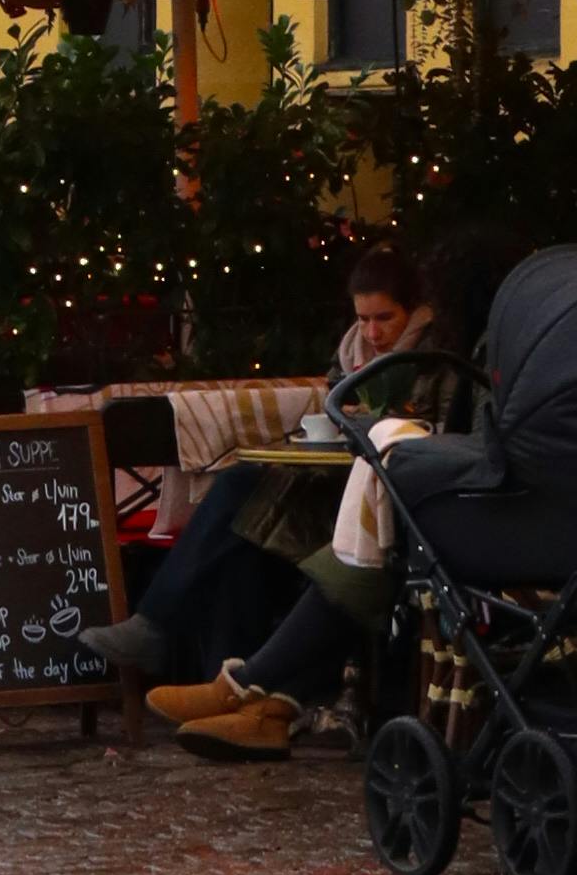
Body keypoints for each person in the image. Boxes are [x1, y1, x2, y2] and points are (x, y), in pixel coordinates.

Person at [160, 231, 577, 760]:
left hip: (529, 526)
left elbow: (489, 450)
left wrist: (407, 449)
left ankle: (255, 687)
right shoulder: (547, 373)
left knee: (375, 553)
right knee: (361, 546)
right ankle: (268, 701)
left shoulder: (483, 359)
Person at [110, 247, 458, 705]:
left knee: (239, 496)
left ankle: (163, 632)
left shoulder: (435, 357)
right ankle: (222, 694)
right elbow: (338, 412)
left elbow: (438, 435)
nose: (372, 332)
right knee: (240, 534)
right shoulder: (352, 349)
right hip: (336, 483)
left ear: (415, 311)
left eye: (384, 318)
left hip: (380, 503)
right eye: (363, 318)